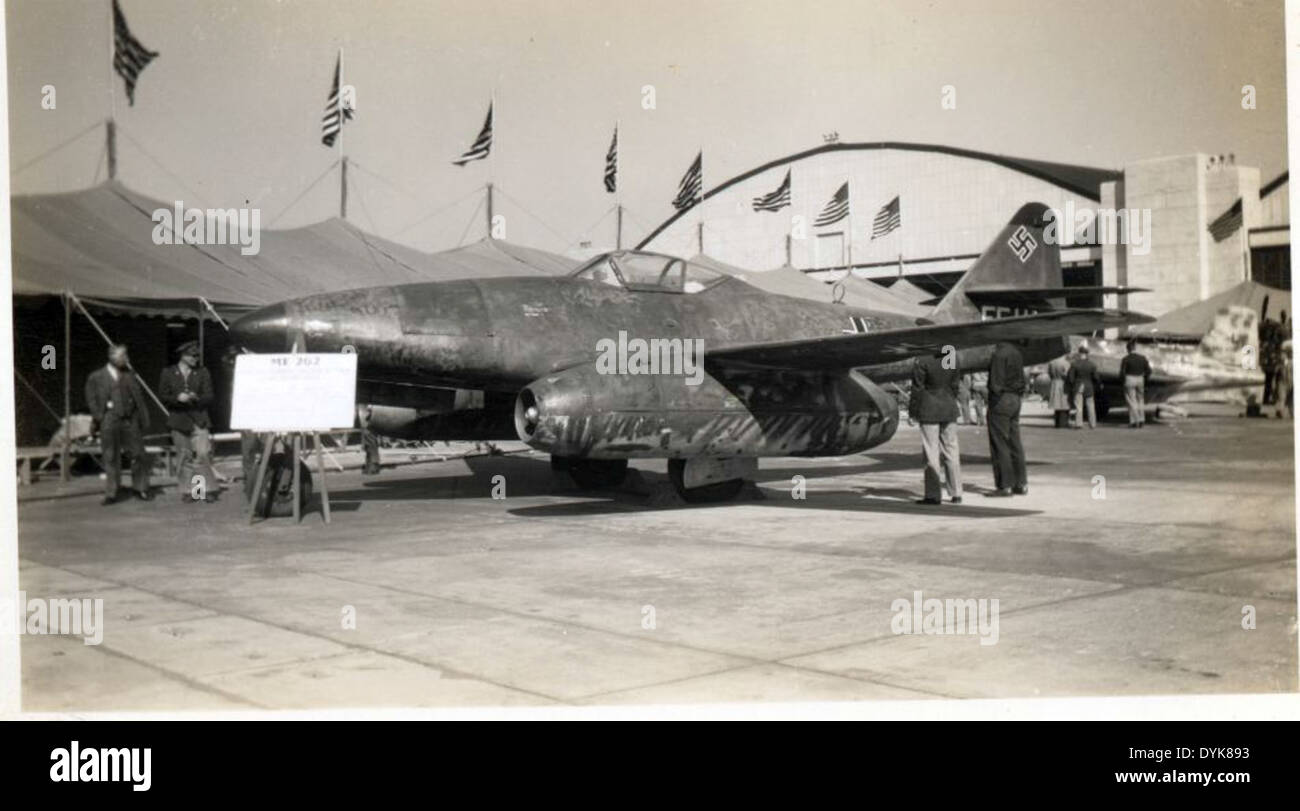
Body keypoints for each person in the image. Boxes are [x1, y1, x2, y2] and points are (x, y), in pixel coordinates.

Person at [84, 344, 153, 505]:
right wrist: (99, 416)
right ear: (112, 358)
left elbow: (139, 398)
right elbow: (91, 398)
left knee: (138, 454)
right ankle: (112, 492)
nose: (127, 359)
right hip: (109, 419)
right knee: (110, 456)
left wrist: (141, 418)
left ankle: (140, 488)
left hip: (130, 420)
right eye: (124, 357)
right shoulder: (97, 376)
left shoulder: (130, 375)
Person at [159, 340, 217, 502]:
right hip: (179, 420)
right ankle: (190, 491)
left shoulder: (203, 372)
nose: (196, 359)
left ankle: (206, 489)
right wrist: (177, 398)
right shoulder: (168, 373)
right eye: (192, 355)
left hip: (199, 419)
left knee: (203, 455)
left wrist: (195, 397)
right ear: (182, 356)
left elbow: (210, 396)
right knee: (185, 457)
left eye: (197, 355)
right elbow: (163, 396)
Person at [909, 352, 963, 505]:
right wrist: (949, 398)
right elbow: (955, 384)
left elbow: (917, 388)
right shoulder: (950, 356)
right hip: (949, 407)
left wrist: (913, 412)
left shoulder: (923, 358)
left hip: (929, 408)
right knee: (951, 450)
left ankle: (933, 495)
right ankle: (956, 493)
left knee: (931, 452)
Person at [985, 340, 1027, 497]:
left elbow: (995, 384)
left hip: (1001, 400)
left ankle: (1005, 485)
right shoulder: (1016, 353)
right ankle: (1021, 483)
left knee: (999, 443)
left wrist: (992, 400)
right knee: (1015, 441)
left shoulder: (998, 354)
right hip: (1016, 399)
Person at [1120, 340, 1153, 428]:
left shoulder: (1125, 359)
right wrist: (1145, 378)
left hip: (1130, 378)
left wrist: (1122, 381)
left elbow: (1122, 373)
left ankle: (1134, 420)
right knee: (1140, 400)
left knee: (1132, 400)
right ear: (1135, 348)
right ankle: (1142, 419)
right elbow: (1149, 371)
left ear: (1128, 349)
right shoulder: (1142, 358)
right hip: (1140, 379)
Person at [1067, 346, 1102, 429]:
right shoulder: (1092, 365)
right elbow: (1096, 377)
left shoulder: (1074, 364)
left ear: (1079, 354)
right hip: (1089, 386)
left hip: (1078, 386)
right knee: (1091, 406)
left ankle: (1079, 424)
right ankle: (1092, 424)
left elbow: (1070, 378)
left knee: (1079, 406)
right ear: (1087, 354)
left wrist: (1073, 384)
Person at [1047, 355, 1071, 428]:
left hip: (1054, 383)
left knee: (1056, 404)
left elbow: (1050, 374)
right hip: (1063, 383)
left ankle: (1057, 423)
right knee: (1064, 404)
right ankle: (1063, 423)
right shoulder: (1066, 363)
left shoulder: (1051, 363)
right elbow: (1068, 374)